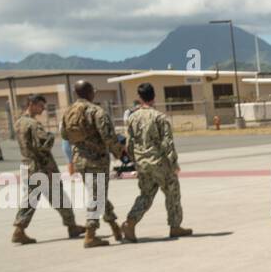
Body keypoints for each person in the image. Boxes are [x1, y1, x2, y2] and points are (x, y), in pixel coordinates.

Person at [121, 83, 192, 242]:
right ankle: (175, 227)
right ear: (154, 97)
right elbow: (167, 144)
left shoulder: (132, 118)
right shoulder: (160, 118)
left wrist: (136, 161)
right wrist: (173, 164)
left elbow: (129, 144)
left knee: (145, 195)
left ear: (140, 98)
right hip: (160, 164)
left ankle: (130, 223)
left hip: (142, 163)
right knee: (172, 193)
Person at [11, 95, 85, 245]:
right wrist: (54, 134)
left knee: (36, 198)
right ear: (31, 104)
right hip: (41, 166)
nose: (43, 109)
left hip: (28, 164)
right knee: (56, 197)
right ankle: (19, 230)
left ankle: (71, 226)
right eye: (40, 105)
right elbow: (44, 144)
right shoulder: (33, 124)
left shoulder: (19, 122)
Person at [61, 81, 126, 246]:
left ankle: (114, 227)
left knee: (98, 194)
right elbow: (109, 137)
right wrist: (120, 153)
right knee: (97, 196)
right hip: (97, 160)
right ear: (90, 92)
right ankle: (90, 234)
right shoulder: (96, 111)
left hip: (79, 160)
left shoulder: (68, 112)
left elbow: (64, 135)